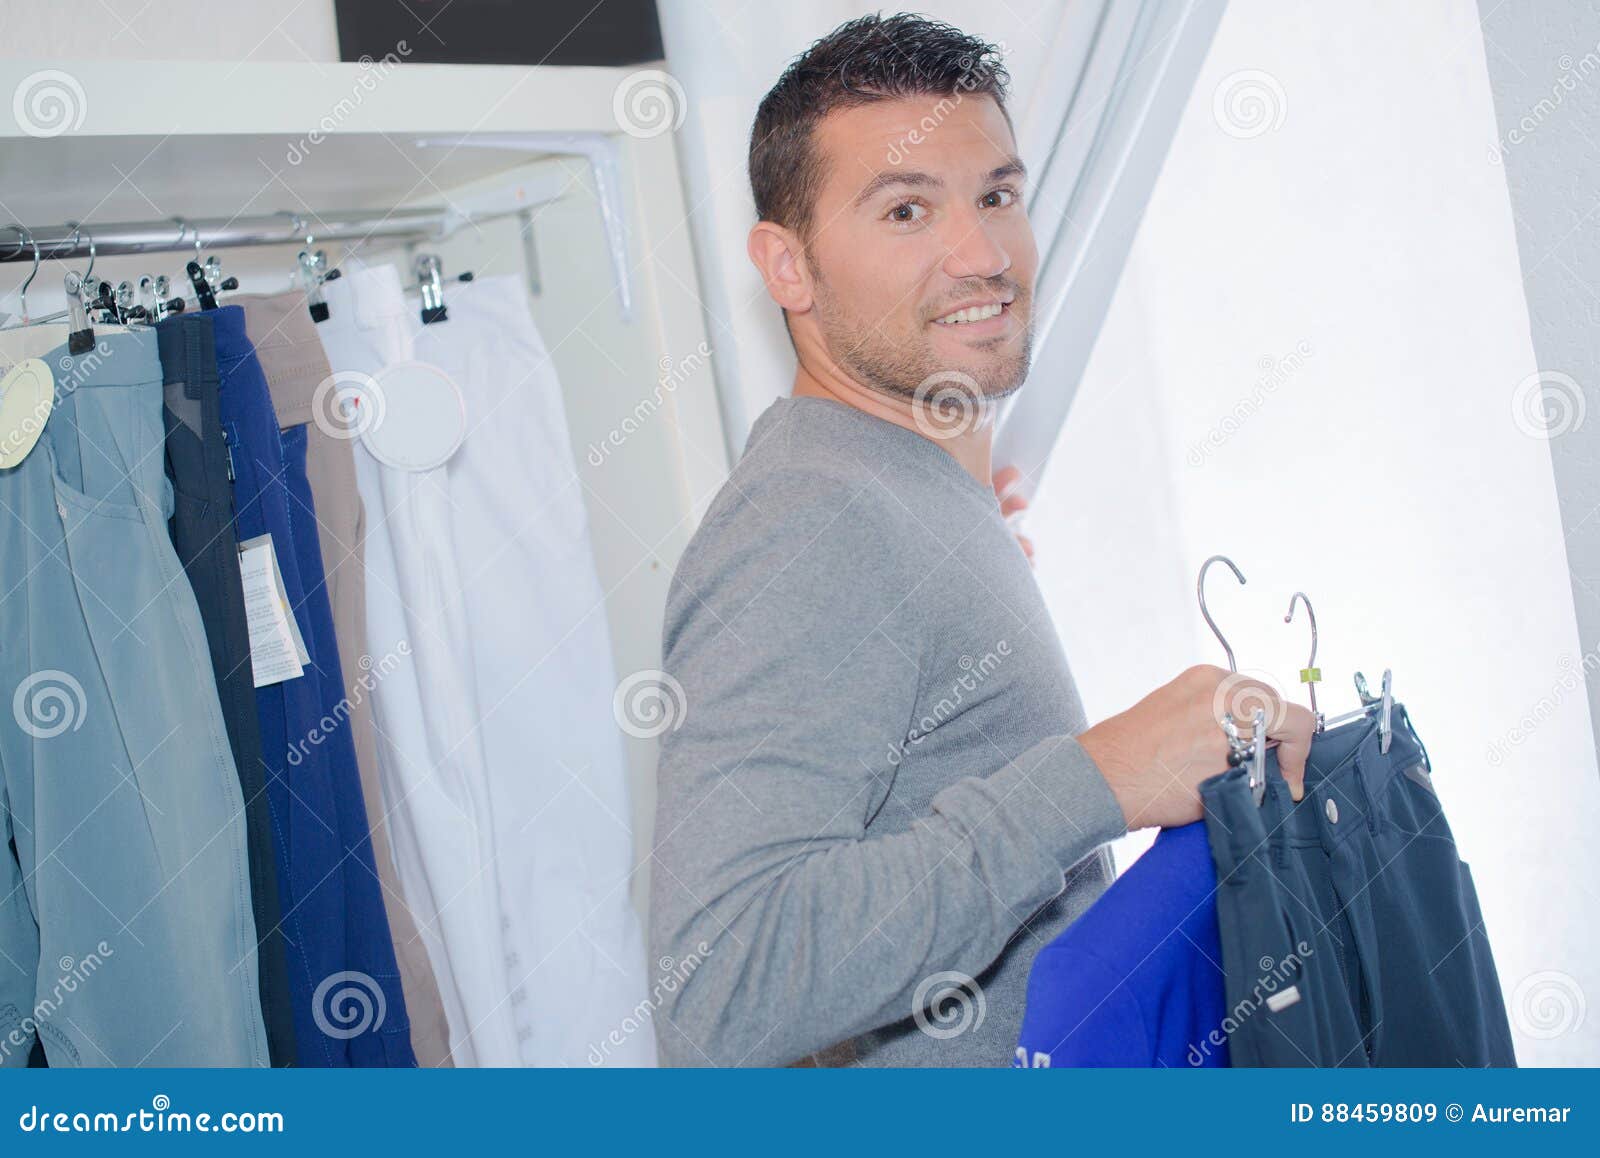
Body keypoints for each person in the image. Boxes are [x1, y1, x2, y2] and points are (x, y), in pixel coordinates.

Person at [648, 12, 1314, 1067]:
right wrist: (1094, 778)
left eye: (997, 195)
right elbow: (722, 987)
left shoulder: (900, 488)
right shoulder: (809, 523)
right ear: (786, 265)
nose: (983, 253)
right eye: (907, 209)